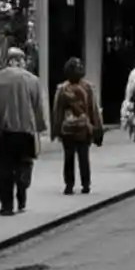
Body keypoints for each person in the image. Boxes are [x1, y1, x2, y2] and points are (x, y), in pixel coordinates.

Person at [0, 48, 46, 216]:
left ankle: (6, 206)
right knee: (24, 163)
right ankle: (22, 193)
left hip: (1, 132)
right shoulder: (33, 80)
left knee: (3, 170)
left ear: (8, 60)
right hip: (25, 132)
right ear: (21, 61)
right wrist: (40, 128)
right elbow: (38, 107)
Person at [51, 57, 102, 195]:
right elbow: (94, 110)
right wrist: (97, 127)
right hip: (83, 127)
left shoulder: (63, 88)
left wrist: (56, 129)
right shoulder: (87, 87)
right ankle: (84, 184)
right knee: (82, 157)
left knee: (70, 158)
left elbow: (57, 111)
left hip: (69, 128)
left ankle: (70, 184)